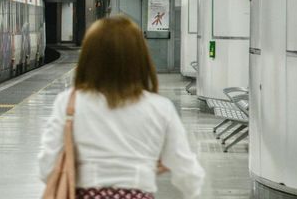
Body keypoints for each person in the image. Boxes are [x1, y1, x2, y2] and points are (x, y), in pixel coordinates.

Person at [38, 16, 204, 199]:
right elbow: (187, 171)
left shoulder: (69, 102)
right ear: (140, 58)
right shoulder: (159, 107)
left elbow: (47, 166)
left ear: (88, 57)